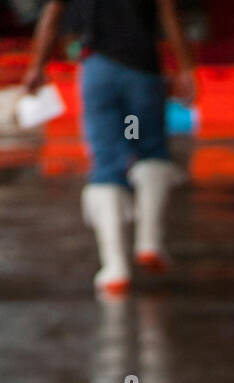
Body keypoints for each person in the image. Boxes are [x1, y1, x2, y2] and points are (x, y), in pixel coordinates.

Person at [25, 0, 194, 294]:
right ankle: (149, 242)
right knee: (151, 151)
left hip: (97, 70)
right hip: (143, 69)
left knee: (106, 163)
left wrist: (36, 66)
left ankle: (115, 268)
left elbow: (52, 15)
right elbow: (169, 15)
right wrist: (184, 68)